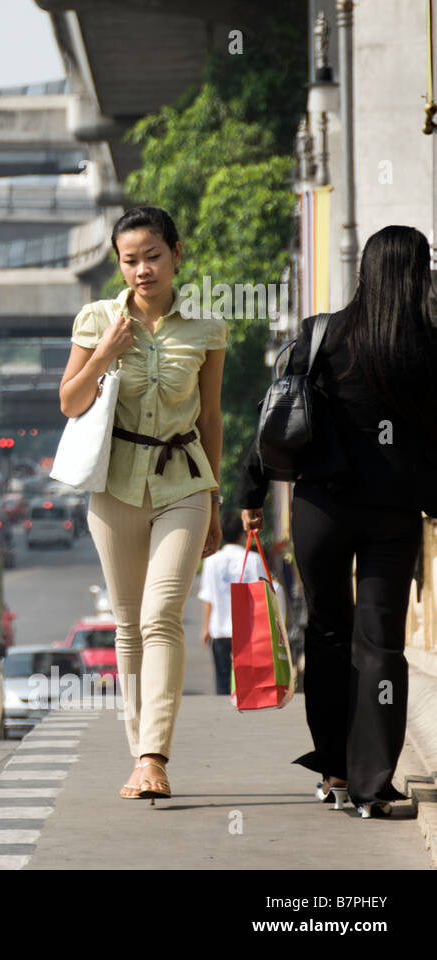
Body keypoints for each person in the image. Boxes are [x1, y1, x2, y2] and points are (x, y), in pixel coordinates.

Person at [236, 225, 437, 818]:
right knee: (382, 646)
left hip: (320, 509)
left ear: (365, 270)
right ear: (420, 272)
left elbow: (276, 410)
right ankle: (375, 785)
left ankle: (333, 774)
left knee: (325, 633)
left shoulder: (323, 335)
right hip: (393, 518)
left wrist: (251, 488)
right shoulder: (427, 347)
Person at [58, 206, 227, 802]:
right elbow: (70, 402)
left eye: (153, 256)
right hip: (114, 487)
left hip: (183, 483)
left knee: (161, 617)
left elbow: (210, 417)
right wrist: (104, 353)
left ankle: (154, 755)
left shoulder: (207, 328)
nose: (142, 270)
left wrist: (216, 495)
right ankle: (139, 754)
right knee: (127, 625)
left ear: (177, 253)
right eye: (130, 260)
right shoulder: (96, 318)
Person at [197, 513, 286, 695]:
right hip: (248, 630)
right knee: (247, 679)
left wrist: (206, 628)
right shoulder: (253, 559)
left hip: (219, 628)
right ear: (242, 534)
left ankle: (223, 708)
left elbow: (208, 597)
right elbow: (264, 591)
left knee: (223, 679)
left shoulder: (212, 561)